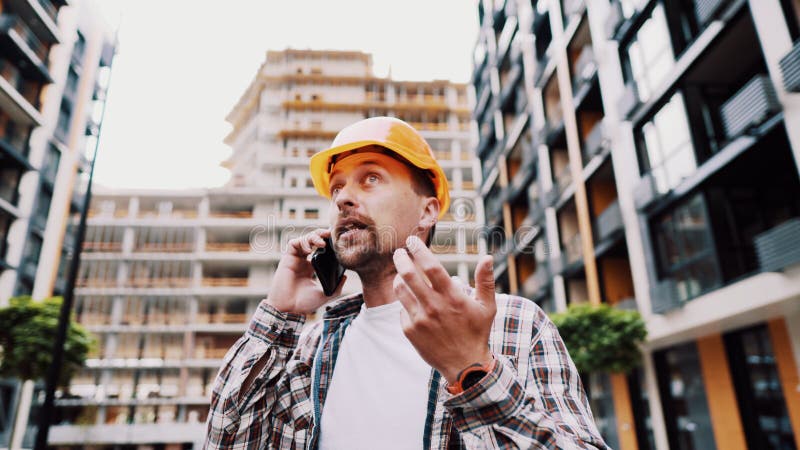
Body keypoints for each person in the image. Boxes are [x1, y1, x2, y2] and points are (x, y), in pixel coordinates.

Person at [204, 117, 609, 449]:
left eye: (371, 179)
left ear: (427, 210)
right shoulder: (310, 347)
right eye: (337, 188)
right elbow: (226, 441)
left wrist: (473, 371)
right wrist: (279, 319)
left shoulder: (513, 324)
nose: (343, 199)